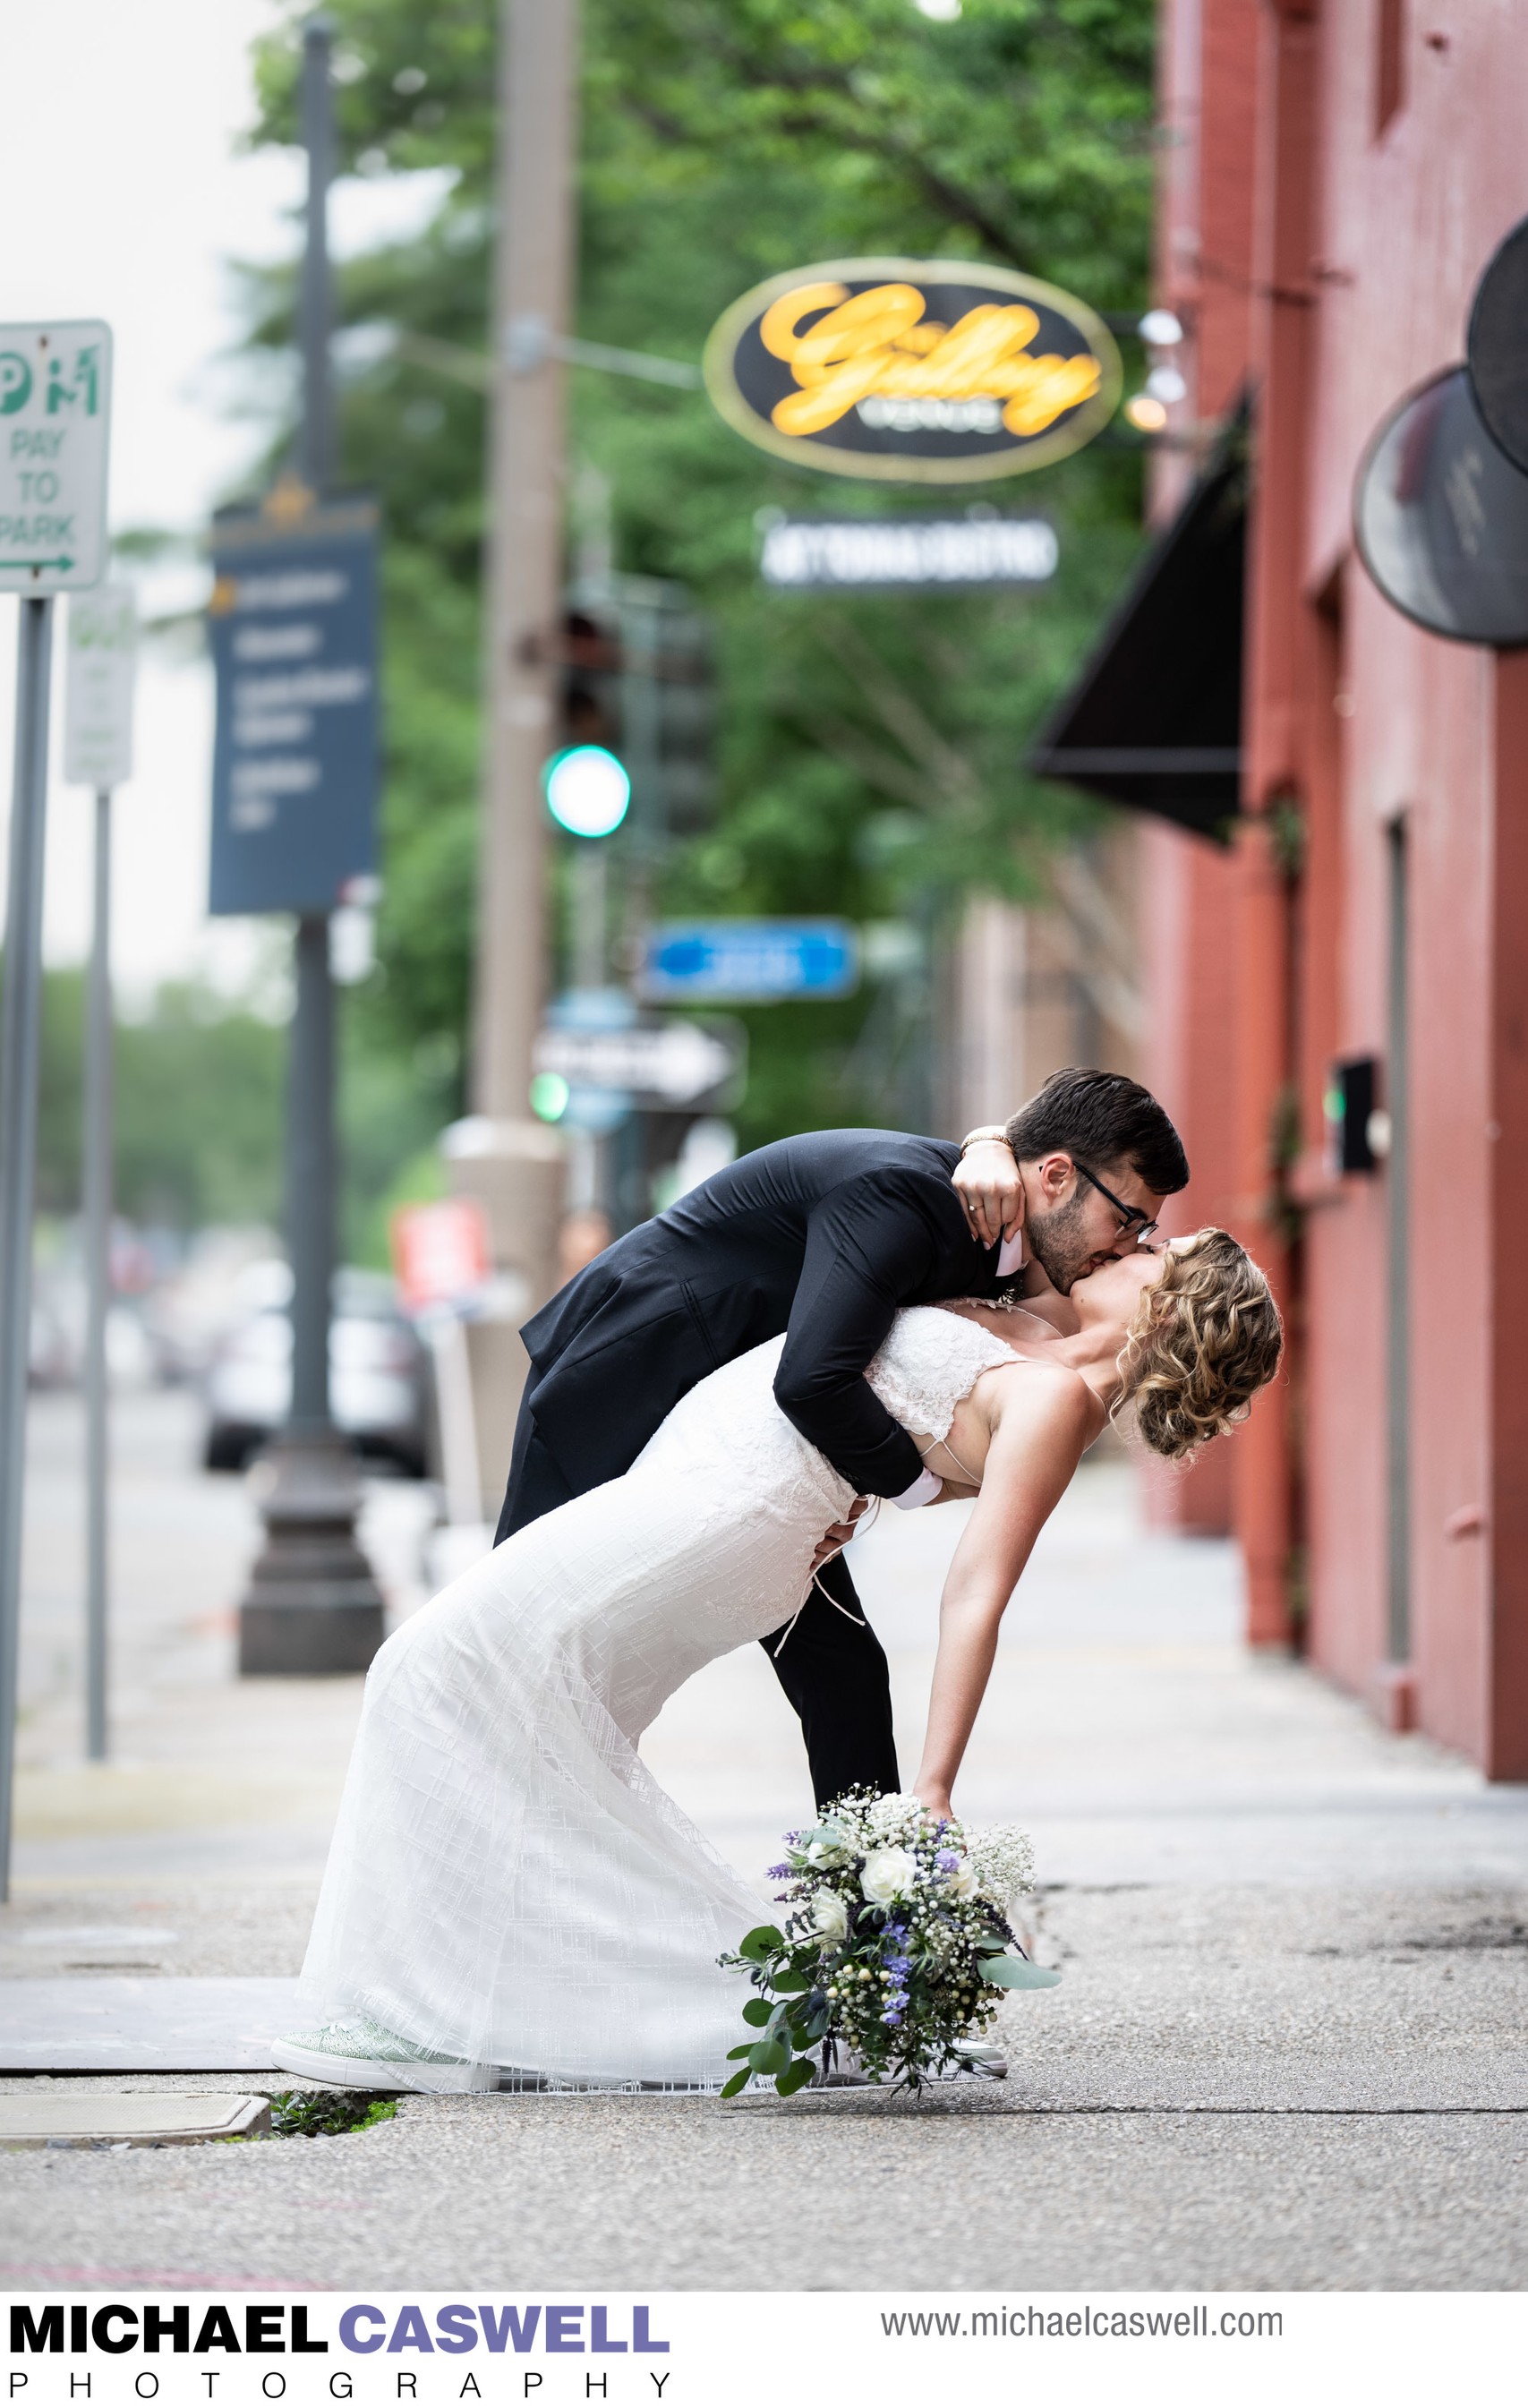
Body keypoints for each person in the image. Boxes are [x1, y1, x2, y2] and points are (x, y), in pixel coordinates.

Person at [273, 1226, 1281, 2094]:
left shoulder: (1057, 1403)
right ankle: (461, 1998)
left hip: (720, 1515)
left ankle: (423, 2006)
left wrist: (930, 1789)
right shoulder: (1031, 1322)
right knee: (522, 1713)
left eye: (1157, 1251)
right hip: (704, 1483)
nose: (1132, 1242)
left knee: (427, 1665)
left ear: (1167, 1312)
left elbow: (974, 1594)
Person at [493, 1071, 1189, 1809]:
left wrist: (989, 1140)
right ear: (1054, 1176)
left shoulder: (1009, 1240)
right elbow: (813, 1383)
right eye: (1127, 1221)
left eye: (1143, 1235)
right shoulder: (907, 1197)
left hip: (753, 1452)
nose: (1126, 1246)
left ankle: (880, 1902)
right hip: (622, 1380)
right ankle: (494, 1847)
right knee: (522, 1645)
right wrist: (912, 1488)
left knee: (844, 1670)